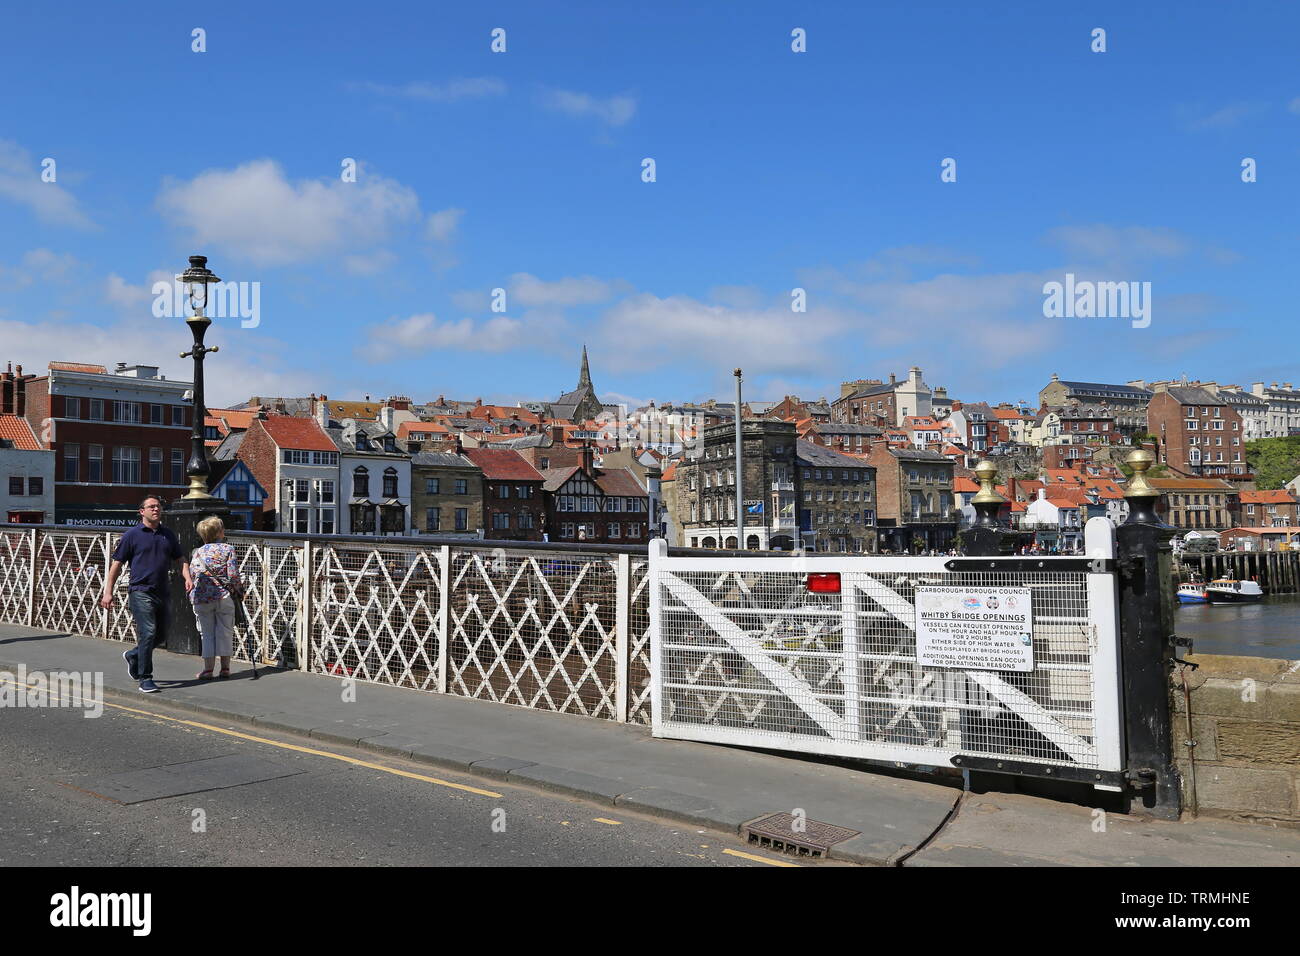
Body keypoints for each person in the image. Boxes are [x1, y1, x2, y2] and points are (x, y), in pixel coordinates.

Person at [100, 496, 191, 693]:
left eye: (158, 506)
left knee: (161, 635)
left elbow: (181, 558)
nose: (156, 509)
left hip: (163, 591)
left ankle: (134, 655)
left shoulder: (168, 534)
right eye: (151, 507)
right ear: (142, 511)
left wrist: (187, 576)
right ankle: (146, 678)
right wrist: (108, 592)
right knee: (148, 632)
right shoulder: (132, 535)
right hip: (140, 591)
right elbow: (116, 565)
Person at [188, 516, 243, 680]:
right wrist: (239, 590)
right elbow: (233, 575)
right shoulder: (228, 549)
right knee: (225, 631)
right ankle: (225, 668)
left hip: (202, 597)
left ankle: (208, 670)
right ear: (219, 532)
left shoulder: (197, 552)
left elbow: (193, 573)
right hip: (223, 596)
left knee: (207, 633)